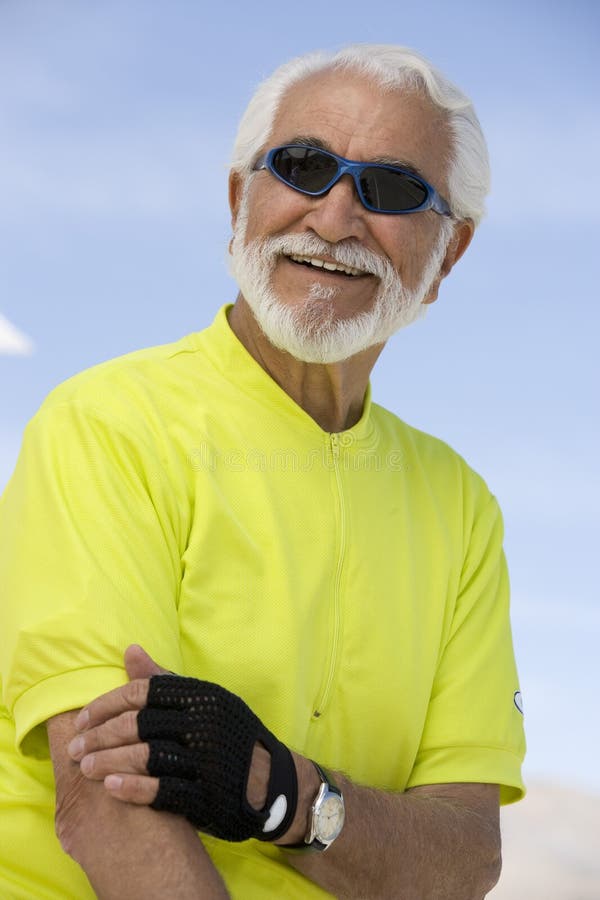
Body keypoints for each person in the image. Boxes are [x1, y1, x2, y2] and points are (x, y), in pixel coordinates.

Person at [0, 43, 526, 899]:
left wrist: (281, 791)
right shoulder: (107, 426)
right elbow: (108, 810)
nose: (335, 217)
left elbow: (463, 860)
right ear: (242, 197)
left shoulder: (461, 507)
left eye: (391, 189)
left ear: (449, 255)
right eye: (305, 166)